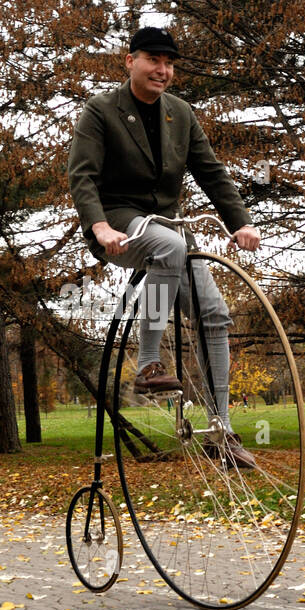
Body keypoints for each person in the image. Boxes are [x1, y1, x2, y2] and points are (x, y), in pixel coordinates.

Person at [68, 26, 260, 468]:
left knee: (214, 312)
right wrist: (98, 227)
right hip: (118, 221)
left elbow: (211, 172)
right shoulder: (101, 111)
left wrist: (241, 222)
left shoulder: (180, 114)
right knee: (170, 245)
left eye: (170, 63)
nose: (163, 70)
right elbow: (83, 176)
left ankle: (222, 431)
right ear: (130, 60)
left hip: (169, 230)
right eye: (154, 60)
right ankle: (148, 363)